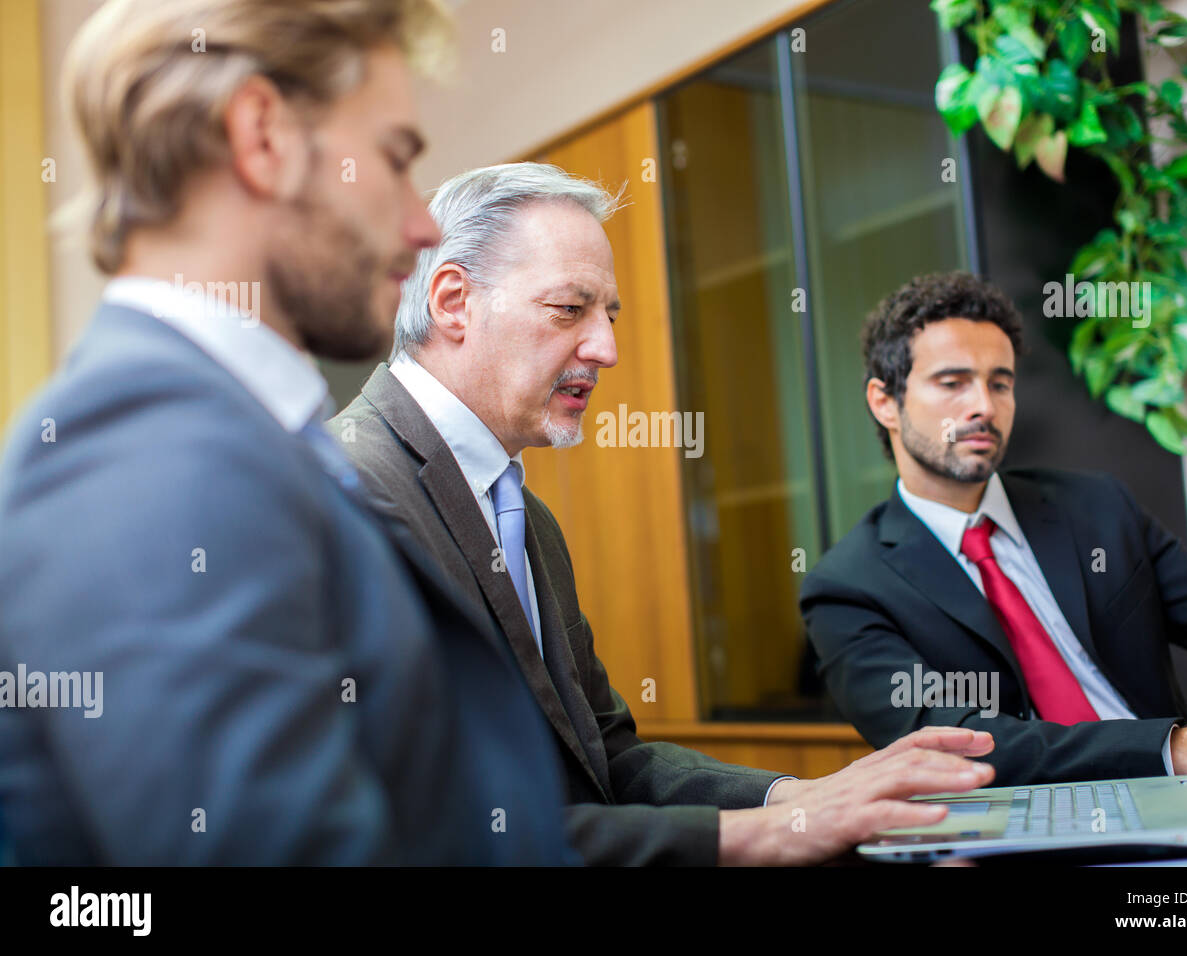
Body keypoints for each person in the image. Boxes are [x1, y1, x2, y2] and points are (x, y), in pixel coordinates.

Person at [0, 0, 575, 865]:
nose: (422, 227)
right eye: (394, 158)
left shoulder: (246, 438)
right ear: (262, 136)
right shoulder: (142, 445)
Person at [329, 162, 998, 865]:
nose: (606, 349)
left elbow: (609, 759)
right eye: (569, 309)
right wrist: (762, 835)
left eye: (609, 315)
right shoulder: (347, 490)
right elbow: (428, 822)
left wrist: (799, 799)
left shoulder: (529, 519)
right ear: (454, 301)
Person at [801, 271, 1187, 786]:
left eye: (1000, 383)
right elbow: (952, 742)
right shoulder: (846, 588)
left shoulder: (1096, 507)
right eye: (952, 383)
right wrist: (1171, 747)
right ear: (884, 401)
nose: (984, 408)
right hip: (1024, 825)